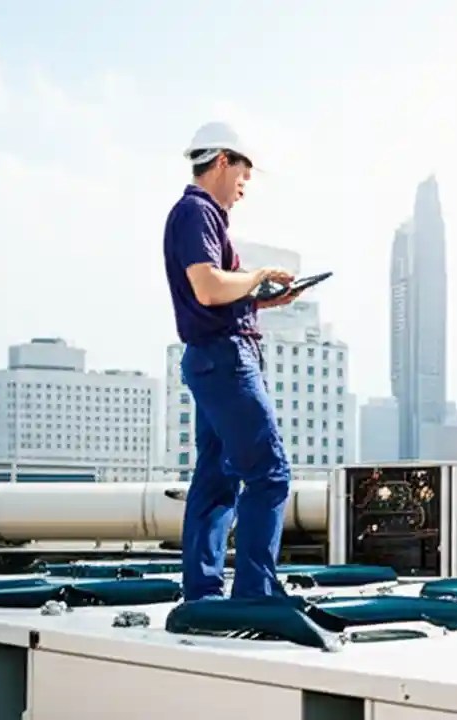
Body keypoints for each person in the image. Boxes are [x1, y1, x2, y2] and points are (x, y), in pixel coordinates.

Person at [163, 120, 300, 601]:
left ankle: (202, 595)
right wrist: (257, 275)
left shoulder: (197, 216)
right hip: (226, 360)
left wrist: (260, 299)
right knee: (269, 473)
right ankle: (255, 596)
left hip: (210, 358)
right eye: (244, 173)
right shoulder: (196, 212)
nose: (246, 185)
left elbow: (214, 293)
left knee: (217, 476)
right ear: (222, 161)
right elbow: (207, 285)